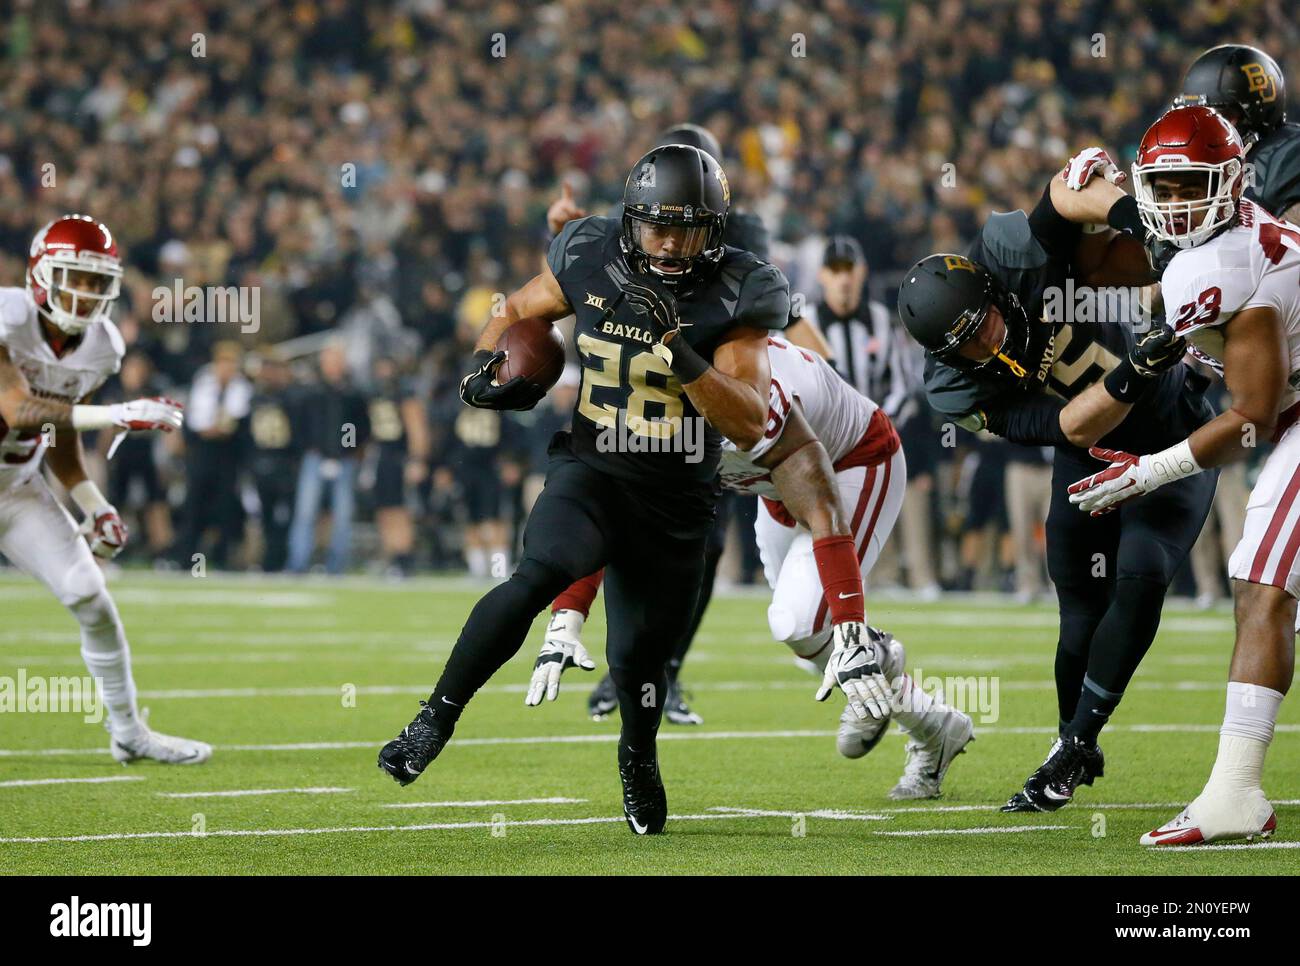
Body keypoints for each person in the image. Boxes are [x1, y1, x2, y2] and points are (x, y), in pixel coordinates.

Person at [380, 145, 835, 836]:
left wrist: (677, 348)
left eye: (688, 227)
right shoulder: (591, 252)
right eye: (658, 225)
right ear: (631, 221)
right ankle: (434, 717)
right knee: (539, 573)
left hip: (678, 501)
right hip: (592, 469)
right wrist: (485, 365)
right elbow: (517, 308)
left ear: (716, 229)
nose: (673, 242)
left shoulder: (740, 288)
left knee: (637, 662)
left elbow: (746, 419)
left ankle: (637, 754)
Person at [898, 148, 1216, 812]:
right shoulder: (956, 388)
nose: (987, 346)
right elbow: (1070, 426)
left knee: (1140, 574)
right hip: (1092, 448)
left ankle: (1076, 744)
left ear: (990, 290)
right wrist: (1133, 369)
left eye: (983, 325)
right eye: (968, 347)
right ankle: (1068, 741)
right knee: (1077, 619)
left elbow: (1069, 188)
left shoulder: (1010, 254)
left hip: (1174, 425)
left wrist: (1138, 221)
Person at [527, 334, 974, 799]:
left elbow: (823, 509)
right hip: (777, 487)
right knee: (811, 640)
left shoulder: (757, 393)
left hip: (851, 465)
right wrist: (567, 616)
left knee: (798, 622)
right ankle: (936, 726)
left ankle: (879, 660)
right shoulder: (649, 406)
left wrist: (851, 624)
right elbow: (609, 513)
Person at [1069, 106, 1300, 846]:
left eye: (1189, 188)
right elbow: (1112, 239)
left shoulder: (1226, 266)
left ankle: (1235, 793)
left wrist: (1150, 473)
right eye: (1161, 191)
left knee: (1261, 582)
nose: (1175, 205)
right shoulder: (1212, 240)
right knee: (1264, 582)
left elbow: (1252, 419)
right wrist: (1079, 196)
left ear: (1230, 183)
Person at [0, 214, 208, 763]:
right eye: (76, 276)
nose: (87, 292)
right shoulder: (9, 315)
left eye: (97, 281)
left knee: (89, 593)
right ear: (42, 273)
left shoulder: (101, 347)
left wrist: (92, 505)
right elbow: (17, 407)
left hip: (15, 486)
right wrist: (118, 412)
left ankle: (129, 732)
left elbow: (58, 429)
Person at [1174, 45, 1300, 223]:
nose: (1203, 129)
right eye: (1194, 117)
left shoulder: (1290, 157)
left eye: (1218, 117)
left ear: (1255, 114)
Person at [285, 340, 370, 574]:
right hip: (315, 458)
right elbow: (299, 425)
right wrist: (311, 448)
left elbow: (362, 426)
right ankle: (298, 563)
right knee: (305, 513)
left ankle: (336, 566)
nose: (333, 365)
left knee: (342, 515)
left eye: (336, 360)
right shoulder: (310, 391)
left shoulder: (353, 393)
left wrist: (348, 450)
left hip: (345, 460)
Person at [176, 340, 251, 569]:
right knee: (194, 504)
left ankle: (222, 559)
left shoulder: (243, 388)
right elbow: (192, 421)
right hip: (202, 451)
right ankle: (186, 559)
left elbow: (239, 424)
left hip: (228, 454)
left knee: (225, 506)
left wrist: (223, 428)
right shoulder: (202, 383)